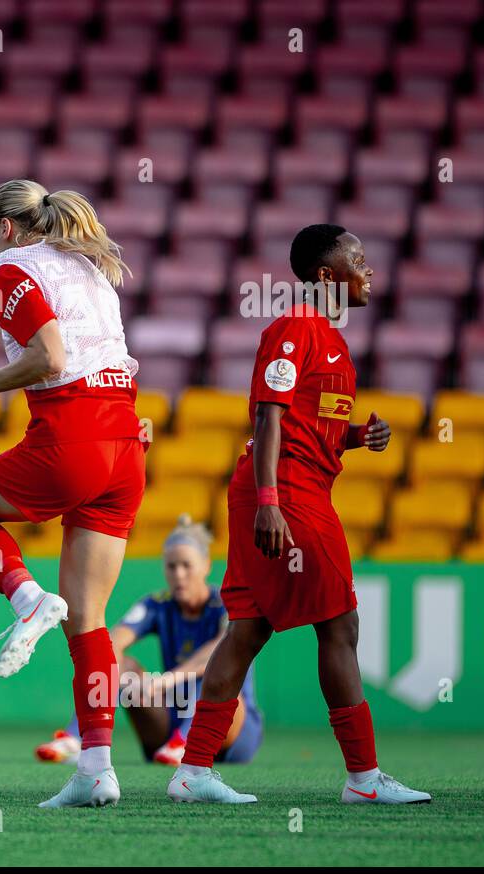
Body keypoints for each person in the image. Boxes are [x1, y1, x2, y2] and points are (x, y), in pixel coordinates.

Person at [167, 224, 430, 805]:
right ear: (327, 276)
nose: (370, 270)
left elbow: (312, 429)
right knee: (340, 625)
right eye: (358, 259)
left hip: (298, 489)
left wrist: (358, 436)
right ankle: (363, 779)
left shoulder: (334, 342)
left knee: (248, 631)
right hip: (287, 496)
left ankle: (192, 771)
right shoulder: (294, 329)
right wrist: (269, 504)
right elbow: (268, 419)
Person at [0, 180, 146, 808]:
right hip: (125, 446)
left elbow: (51, 357)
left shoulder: (6, 265)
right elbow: (68, 335)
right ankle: (97, 771)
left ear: (4, 227)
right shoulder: (85, 266)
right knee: (90, 623)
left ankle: (27, 599)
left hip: (72, 435)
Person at [36, 517, 263, 768]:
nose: (179, 575)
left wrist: (165, 680)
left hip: (234, 731)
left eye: (187, 566)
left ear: (206, 565)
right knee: (116, 663)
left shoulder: (225, 603)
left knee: (214, 674)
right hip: (170, 723)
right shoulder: (157, 604)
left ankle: (186, 743)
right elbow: (112, 641)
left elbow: (218, 649)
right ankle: (77, 737)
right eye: (171, 567)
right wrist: (107, 669)